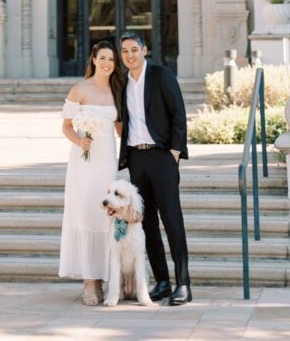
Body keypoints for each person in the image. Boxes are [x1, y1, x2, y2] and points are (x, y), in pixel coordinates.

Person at [117, 29, 191, 306]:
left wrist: (174, 151)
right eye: (124, 51)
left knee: (172, 220)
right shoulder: (121, 83)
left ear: (144, 50)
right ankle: (162, 281)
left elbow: (178, 113)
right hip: (136, 158)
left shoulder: (161, 75)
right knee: (146, 222)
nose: (129, 55)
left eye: (133, 49)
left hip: (161, 156)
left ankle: (183, 283)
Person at [58, 40, 125, 305]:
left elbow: (120, 129)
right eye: (103, 58)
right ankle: (89, 281)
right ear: (94, 59)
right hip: (83, 162)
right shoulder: (80, 89)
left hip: (107, 161)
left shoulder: (118, 91)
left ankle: (106, 277)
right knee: (86, 212)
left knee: (104, 216)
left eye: (112, 59)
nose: (108, 63)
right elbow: (66, 127)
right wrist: (80, 141)